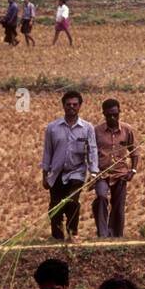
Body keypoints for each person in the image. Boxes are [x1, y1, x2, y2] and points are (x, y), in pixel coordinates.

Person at [41, 90, 99, 240]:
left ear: (80, 106)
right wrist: (45, 175)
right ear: (63, 106)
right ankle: (57, 237)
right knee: (55, 205)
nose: (71, 107)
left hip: (77, 172)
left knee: (72, 201)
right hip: (56, 173)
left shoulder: (87, 128)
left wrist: (93, 173)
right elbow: (47, 152)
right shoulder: (52, 128)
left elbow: (92, 150)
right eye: (68, 104)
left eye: (75, 104)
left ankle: (73, 233)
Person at [93, 98, 138, 239]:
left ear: (119, 112)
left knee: (118, 204)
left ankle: (116, 235)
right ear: (103, 114)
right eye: (108, 115)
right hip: (102, 174)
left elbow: (134, 152)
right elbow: (91, 152)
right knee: (101, 197)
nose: (112, 117)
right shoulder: (96, 131)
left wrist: (133, 170)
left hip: (121, 174)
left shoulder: (127, 130)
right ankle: (103, 234)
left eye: (115, 114)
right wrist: (94, 172)